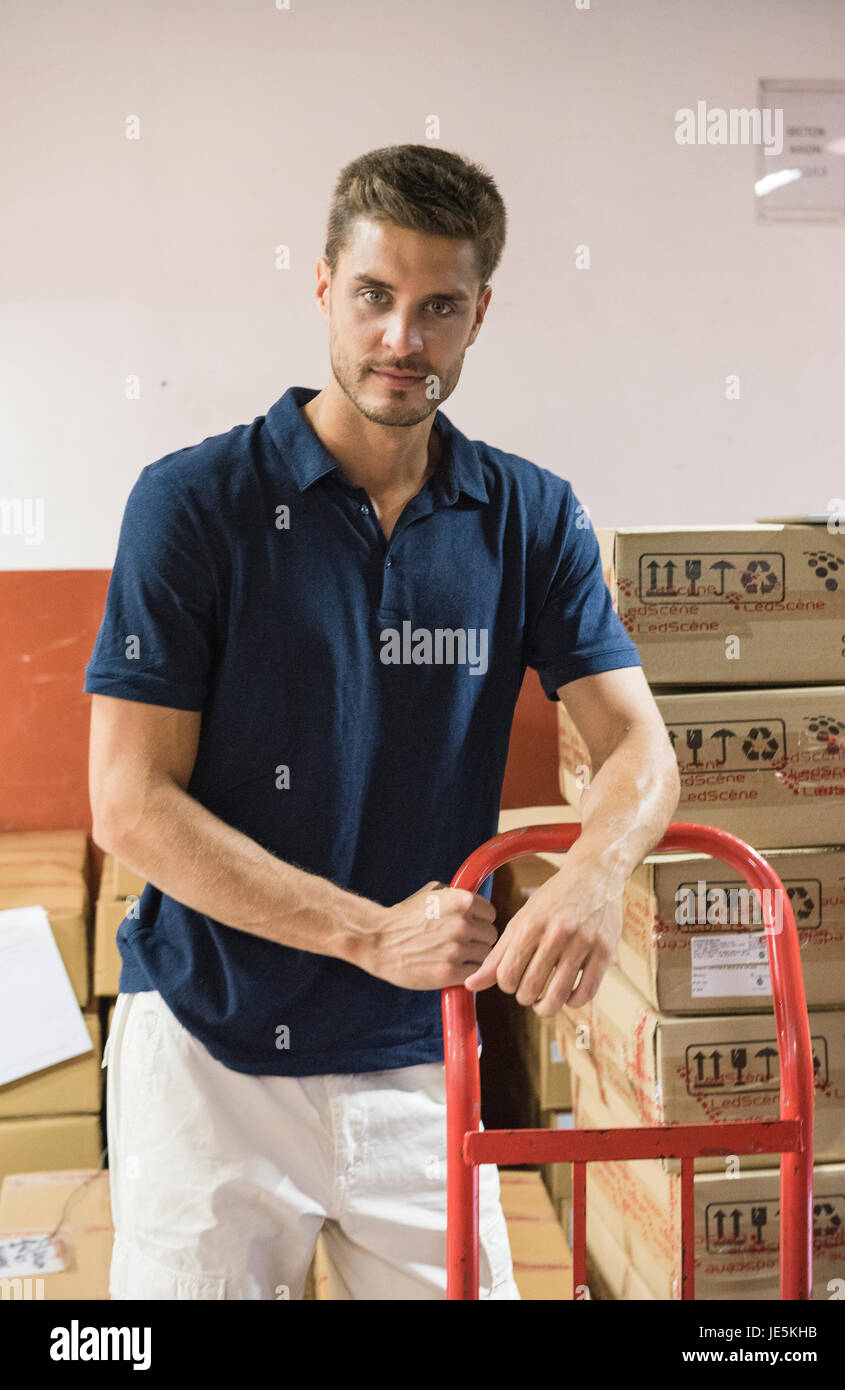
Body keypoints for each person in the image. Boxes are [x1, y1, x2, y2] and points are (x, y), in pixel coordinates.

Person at [84, 143, 680, 1300]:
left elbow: (638, 747)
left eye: (438, 307)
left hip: (415, 1054)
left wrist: (596, 870)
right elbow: (129, 803)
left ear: (480, 316)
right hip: (209, 1045)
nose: (402, 340)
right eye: (374, 297)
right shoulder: (191, 503)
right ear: (322, 289)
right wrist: (367, 933)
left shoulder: (528, 513)